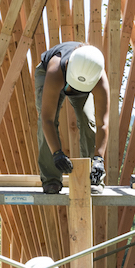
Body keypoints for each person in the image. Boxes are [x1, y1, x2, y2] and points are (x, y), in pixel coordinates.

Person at [35, 42, 110, 194]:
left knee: (88, 120)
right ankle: (51, 180)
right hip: (53, 76)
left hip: (84, 82)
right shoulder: (55, 69)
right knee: (45, 123)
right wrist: (57, 153)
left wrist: (99, 159)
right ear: (68, 64)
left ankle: (94, 177)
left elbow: (102, 124)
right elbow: (48, 120)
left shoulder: (98, 77)